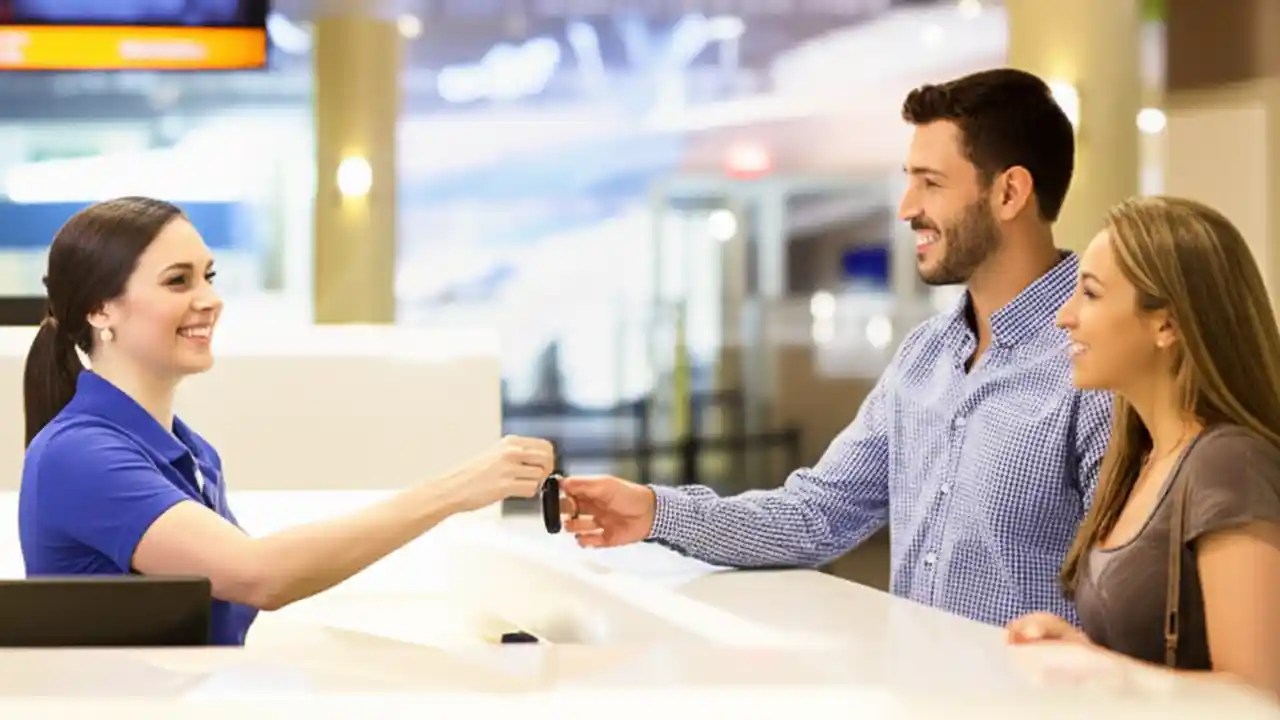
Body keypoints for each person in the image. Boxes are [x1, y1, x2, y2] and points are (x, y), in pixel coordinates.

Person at [558, 67, 1114, 628]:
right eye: (909, 179)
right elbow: (816, 515)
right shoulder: (924, 358)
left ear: (1010, 192)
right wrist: (656, 512)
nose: (906, 207)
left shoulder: (1096, 364)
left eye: (931, 183)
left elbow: (1133, 590)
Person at [19, 196, 555, 646]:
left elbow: (273, 578)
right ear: (100, 310)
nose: (210, 300)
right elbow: (259, 576)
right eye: (178, 281)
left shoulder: (191, 452)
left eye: (208, 275)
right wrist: (454, 491)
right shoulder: (80, 454)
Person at [1005, 197, 1280, 696]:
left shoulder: (1229, 465)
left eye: (1089, 293)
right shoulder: (1141, 459)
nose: (1064, 317)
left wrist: (1104, 671)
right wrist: (1084, 652)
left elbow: (1257, 694)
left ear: (1167, 324)